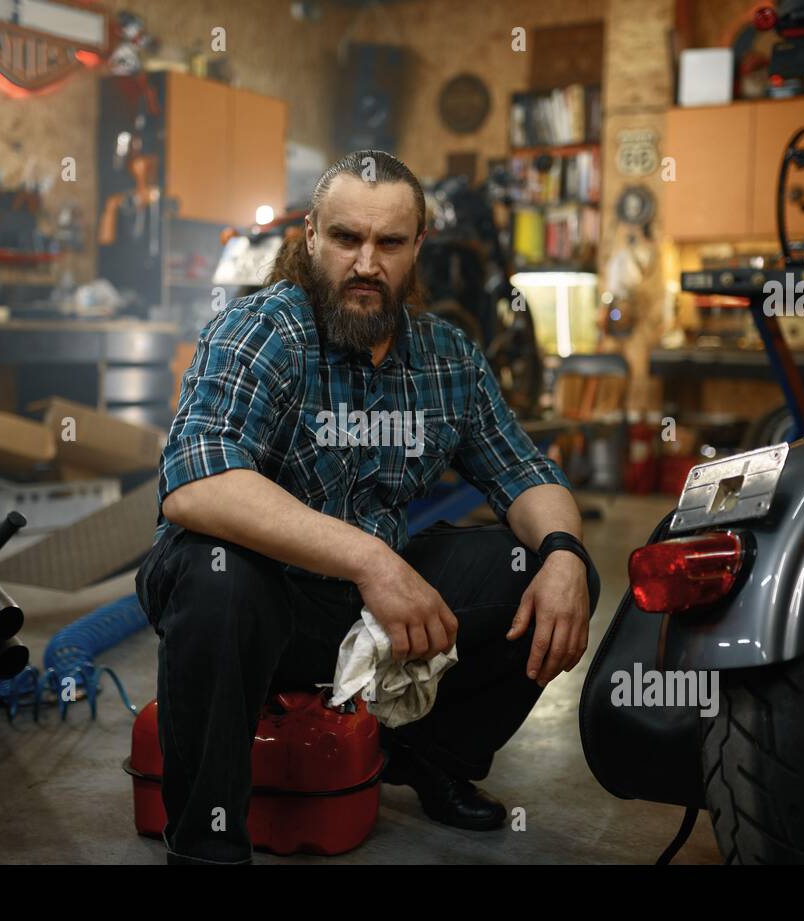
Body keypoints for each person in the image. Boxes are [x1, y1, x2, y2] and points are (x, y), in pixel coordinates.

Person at [136, 149, 599, 864]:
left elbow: (524, 473)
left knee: (541, 569)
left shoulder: (448, 357)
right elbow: (199, 483)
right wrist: (371, 559)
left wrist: (565, 556)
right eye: (347, 238)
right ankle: (205, 844)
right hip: (255, 602)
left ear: (417, 248)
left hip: (358, 611)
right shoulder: (266, 329)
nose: (365, 263)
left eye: (388, 243)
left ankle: (429, 754)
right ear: (312, 236)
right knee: (219, 571)